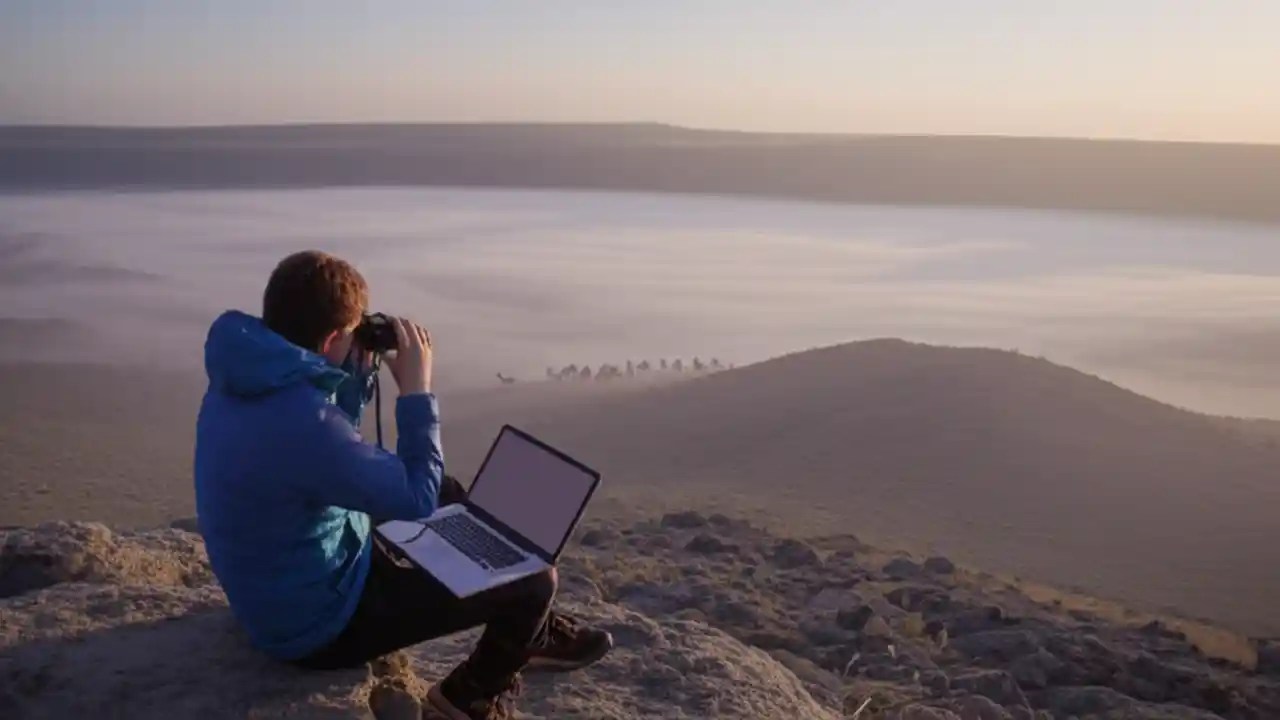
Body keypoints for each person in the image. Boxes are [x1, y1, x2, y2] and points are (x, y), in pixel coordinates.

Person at [194, 250, 613, 719]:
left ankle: (529, 629)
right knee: (535, 578)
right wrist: (417, 392)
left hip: (278, 589)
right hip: (314, 628)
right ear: (334, 337)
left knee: (446, 491)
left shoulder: (248, 378)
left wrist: (353, 376)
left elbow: (331, 452)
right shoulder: (305, 423)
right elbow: (410, 499)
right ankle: (468, 695)